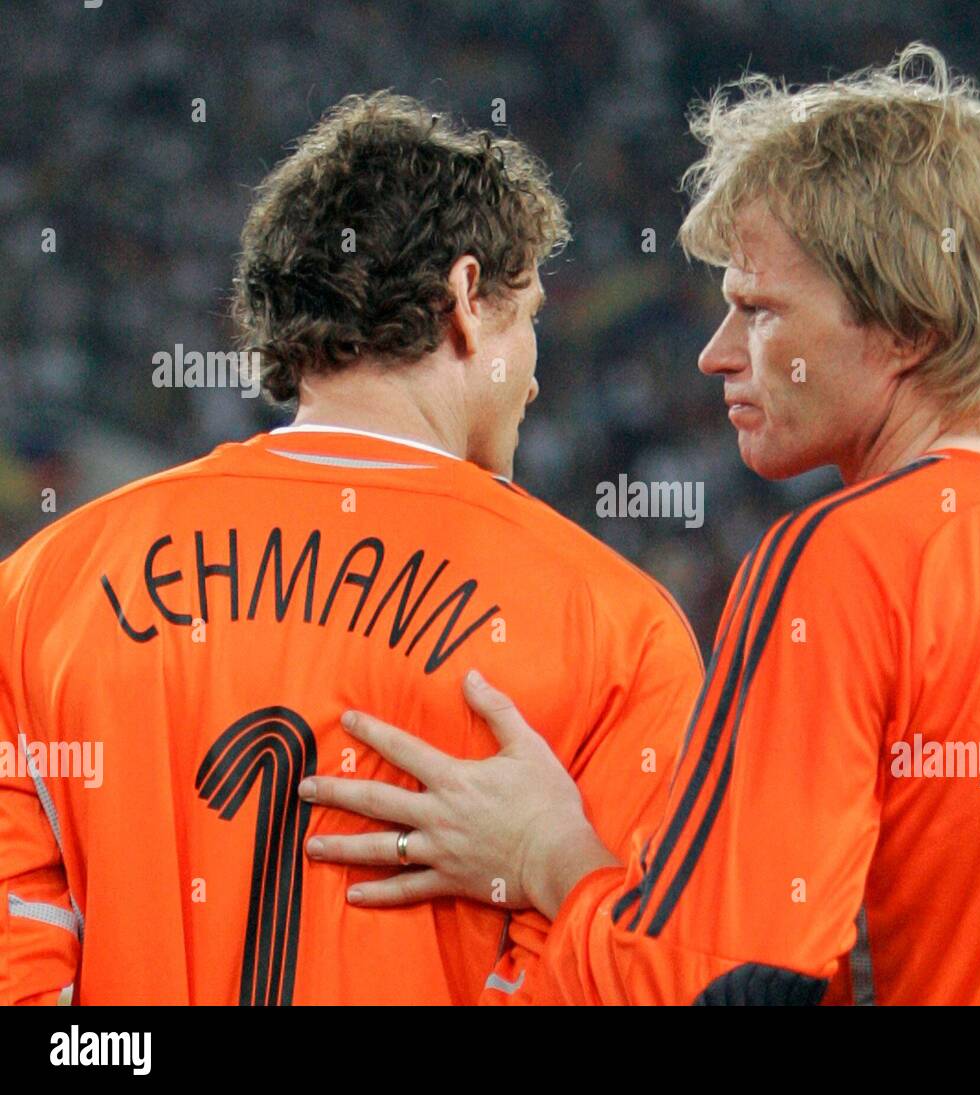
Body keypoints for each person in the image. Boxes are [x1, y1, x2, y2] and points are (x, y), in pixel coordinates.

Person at [301, 45, 980, 1005]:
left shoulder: (855, 562)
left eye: (759, 310)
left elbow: (719, 984)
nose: (715, 353)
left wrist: (545, 854)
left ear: (909, 326)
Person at [0, 92, 701, 1005]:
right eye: (528, 316)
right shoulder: (617, 629)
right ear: (464, 301)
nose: (537, 370)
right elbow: (624, 980)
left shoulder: (43, 586)